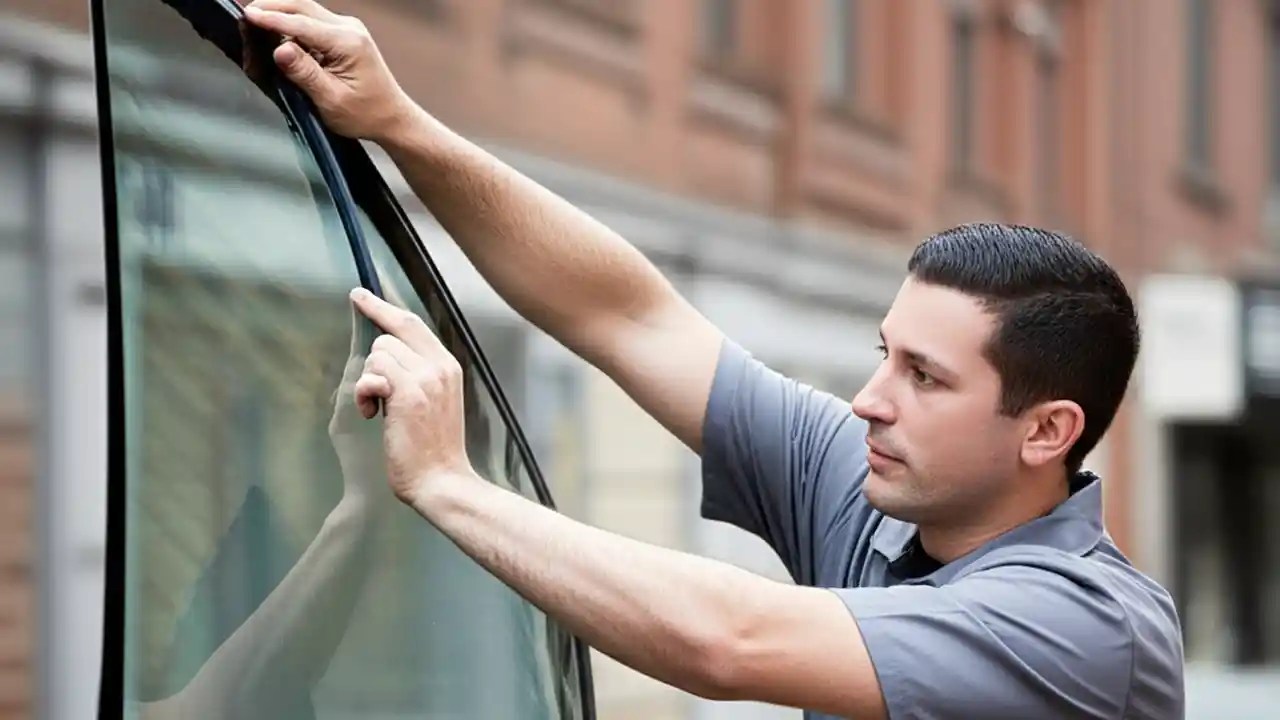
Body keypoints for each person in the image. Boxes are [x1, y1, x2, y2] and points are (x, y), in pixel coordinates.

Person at [241, 1, 1186, 717]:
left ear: (1048, 431)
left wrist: (449, 483)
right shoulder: (873, 489)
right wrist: (400, 123)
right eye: (885, 356)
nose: (869, 401)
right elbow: (628, 316)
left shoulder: (1091, 628)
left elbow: (726, 641)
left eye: (925, 378)